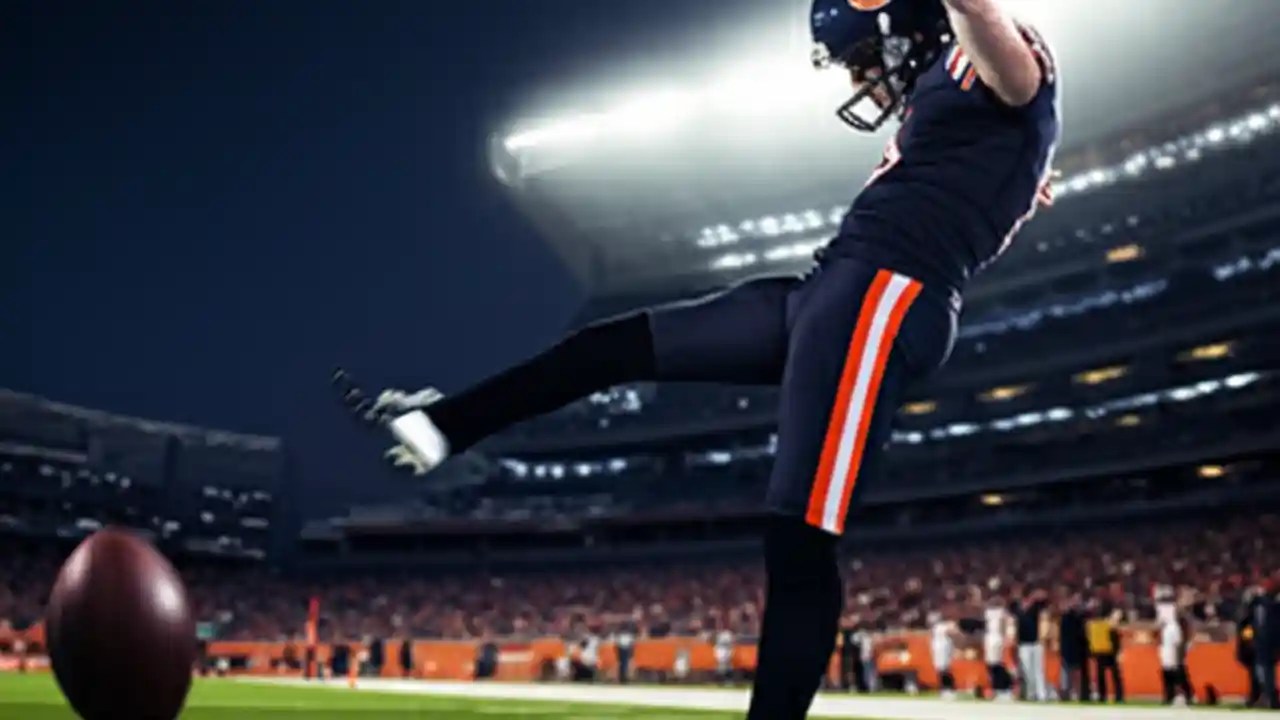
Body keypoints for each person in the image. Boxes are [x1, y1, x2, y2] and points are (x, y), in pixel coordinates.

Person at [339, 0, 1059, 716]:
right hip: (830, 289)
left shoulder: (994, 62)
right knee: (612, 348)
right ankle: (441, 428)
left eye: (865, 58)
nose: (860, 80)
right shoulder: (955, 105)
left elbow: (1001, 53)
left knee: (799, 538)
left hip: (884, 297)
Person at [1015, 592, 1048, 701]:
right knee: (1027, 670)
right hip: (1023, 644)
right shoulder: (1018, 610)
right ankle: (1030, 693)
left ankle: (1041, 694)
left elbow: (1044, 599)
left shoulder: (1035, 609)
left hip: (1036, 643)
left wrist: (1034, 597)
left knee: (1038, 670)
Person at [1058, 595, 1090, 702]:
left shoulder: (1081, 617)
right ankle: (1066, 693)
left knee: (1076, 673)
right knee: (1067, 673)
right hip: (1069, 648)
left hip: (1078, 648)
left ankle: (1078, 693)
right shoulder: (1067, 617)